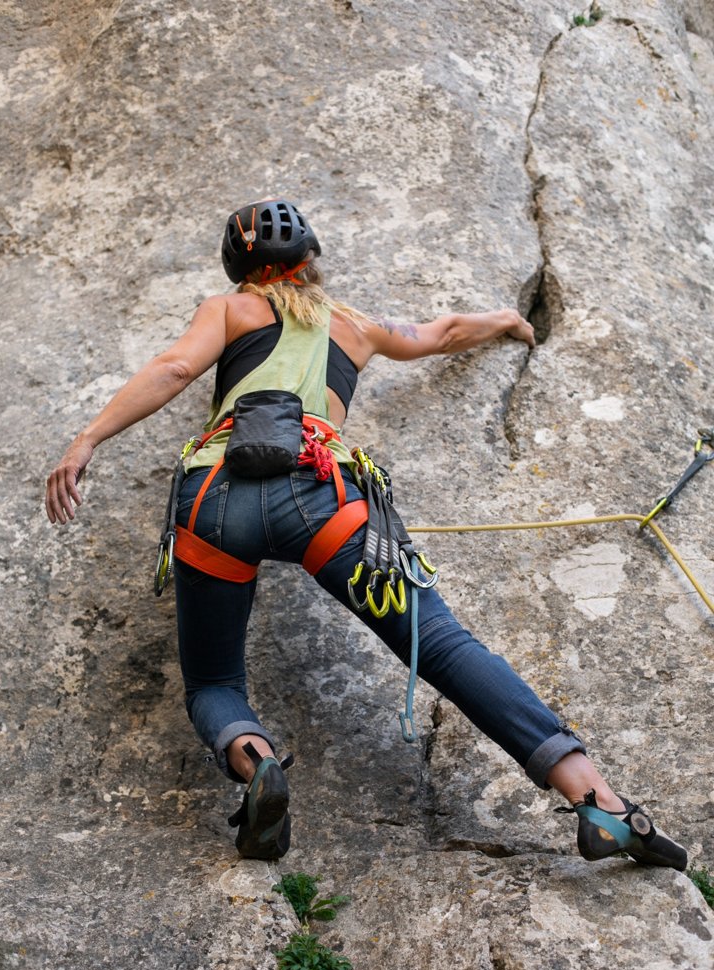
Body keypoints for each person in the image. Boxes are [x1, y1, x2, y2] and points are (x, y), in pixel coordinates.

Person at [46, 197, 687, 870]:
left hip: (215, 504)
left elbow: (177, 368)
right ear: (309, 264)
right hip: (327, 503)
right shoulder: (356, 325)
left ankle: (258, 761)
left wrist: (87, 440)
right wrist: (504, 320)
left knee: (212, 684)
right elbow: (440, 334)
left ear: (244, 272)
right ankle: (600, 803)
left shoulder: (230, 309)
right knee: (439, 644)